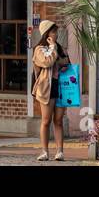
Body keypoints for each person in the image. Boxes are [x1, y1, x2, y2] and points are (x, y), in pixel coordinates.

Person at [32, 20, 71, 161]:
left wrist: (61, 60)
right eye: (53, 31)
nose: (56, 34)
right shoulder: (38, 50)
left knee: (59, 120)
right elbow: (47, 62)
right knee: (46, 120)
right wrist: (53, 48)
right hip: (46, 88)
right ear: (47, 33)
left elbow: (66, 62)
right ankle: (44, 151)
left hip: (61, 87)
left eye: (56, 31)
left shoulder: (59, 48)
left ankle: (60, 151)